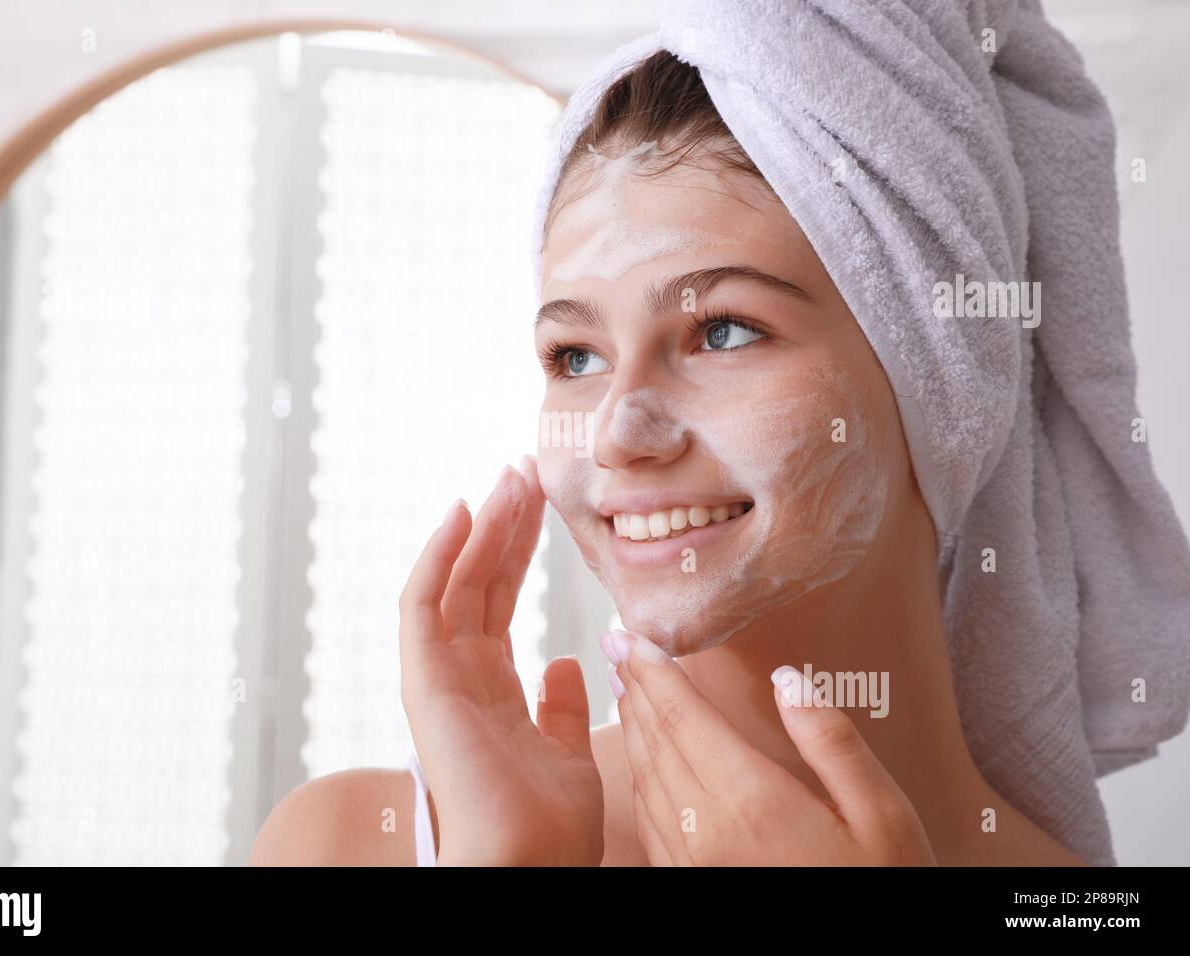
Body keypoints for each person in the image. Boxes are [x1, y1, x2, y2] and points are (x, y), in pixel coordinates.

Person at [249, 50, 1098, 866]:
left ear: (941, 373)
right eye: (575, 357)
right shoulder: (351, 846)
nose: (617, 434)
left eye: (722, 332)